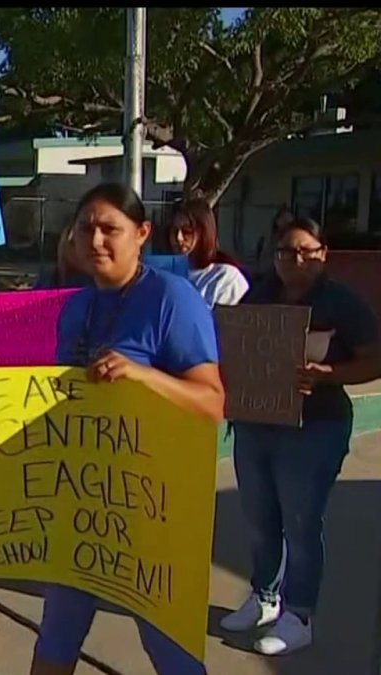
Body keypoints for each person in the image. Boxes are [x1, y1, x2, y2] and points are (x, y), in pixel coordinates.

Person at [34, 183, 225, 675]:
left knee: (169, 648)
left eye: (109, 229)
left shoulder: (172, 299)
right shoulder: (76, 306)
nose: (95, 240)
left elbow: (212, 401)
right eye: (84, 229)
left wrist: (144, 375)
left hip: (150, 510)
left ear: (141, 234)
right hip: (81, 501)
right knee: (56, 634)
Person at [221, 216, 381, 656]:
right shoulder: (261, 294)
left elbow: (373, 360)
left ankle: (300, 615)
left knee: (301, 524)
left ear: (322, 254)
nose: (294, 260)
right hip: (256, 424)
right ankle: (264, 599)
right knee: (258, 519)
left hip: (316, 428)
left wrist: (328, 374)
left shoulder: (342, 302)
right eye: (285, 252)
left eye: (305, 251)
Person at [169, 199, 250, 307]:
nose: (179, 238)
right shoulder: (168, 272)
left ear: (203, 231)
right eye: (174, 231)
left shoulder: (226, 277)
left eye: (187, 231)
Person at [33, 221, 88, 290]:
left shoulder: (91, 284)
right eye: (63, 241)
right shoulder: (47, 277)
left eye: (72, 243)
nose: (64, 247)